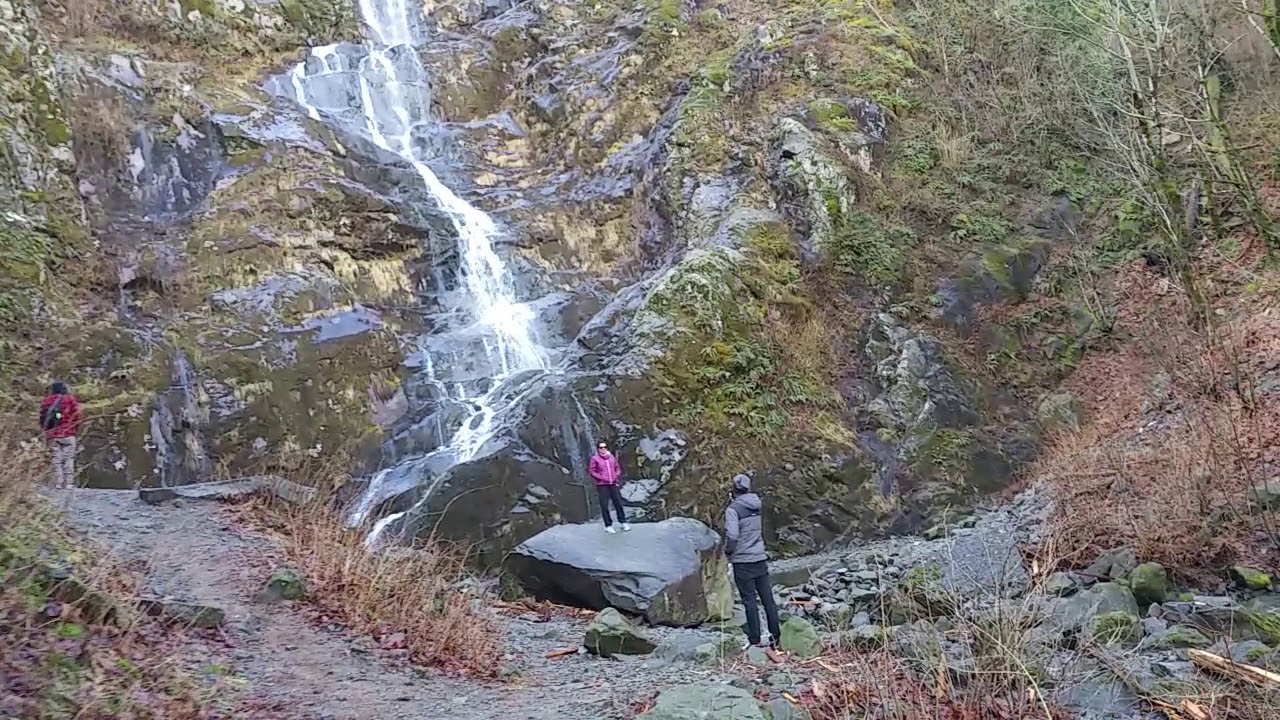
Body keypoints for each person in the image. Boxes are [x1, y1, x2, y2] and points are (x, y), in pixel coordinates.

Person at [724, 473, 781, 649]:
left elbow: (732, 535)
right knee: (767, 599)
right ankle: (776, 638)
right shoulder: (757, 505)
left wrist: (728, 551)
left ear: (733, 489)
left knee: (749, 601)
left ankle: (755, 641)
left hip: (742, 561)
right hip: (759, 557)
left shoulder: (733, 510)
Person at [38, 381, 82, 489]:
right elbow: (77, 416)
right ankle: (69, 483)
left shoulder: (46, 401)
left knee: (56, 459)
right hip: (68, 433)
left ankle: (58, 482)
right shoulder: (70, 400)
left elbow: (42, 418)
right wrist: (75, 428)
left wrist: (46, 430)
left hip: (52, 434)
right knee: (68, 458)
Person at [588, 440, 630, 534]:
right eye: (601, 447)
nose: (603, 449)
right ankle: (608, 525)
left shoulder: (611, 457)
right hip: (602, 485)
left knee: (618, 503)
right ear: (598, 449)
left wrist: (616, 475)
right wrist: (601, 478)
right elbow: (592, 471)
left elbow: (617, 468)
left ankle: (623, 522)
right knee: (604, 505)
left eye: (604, 447)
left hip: (613, 483)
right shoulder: (595, 459)